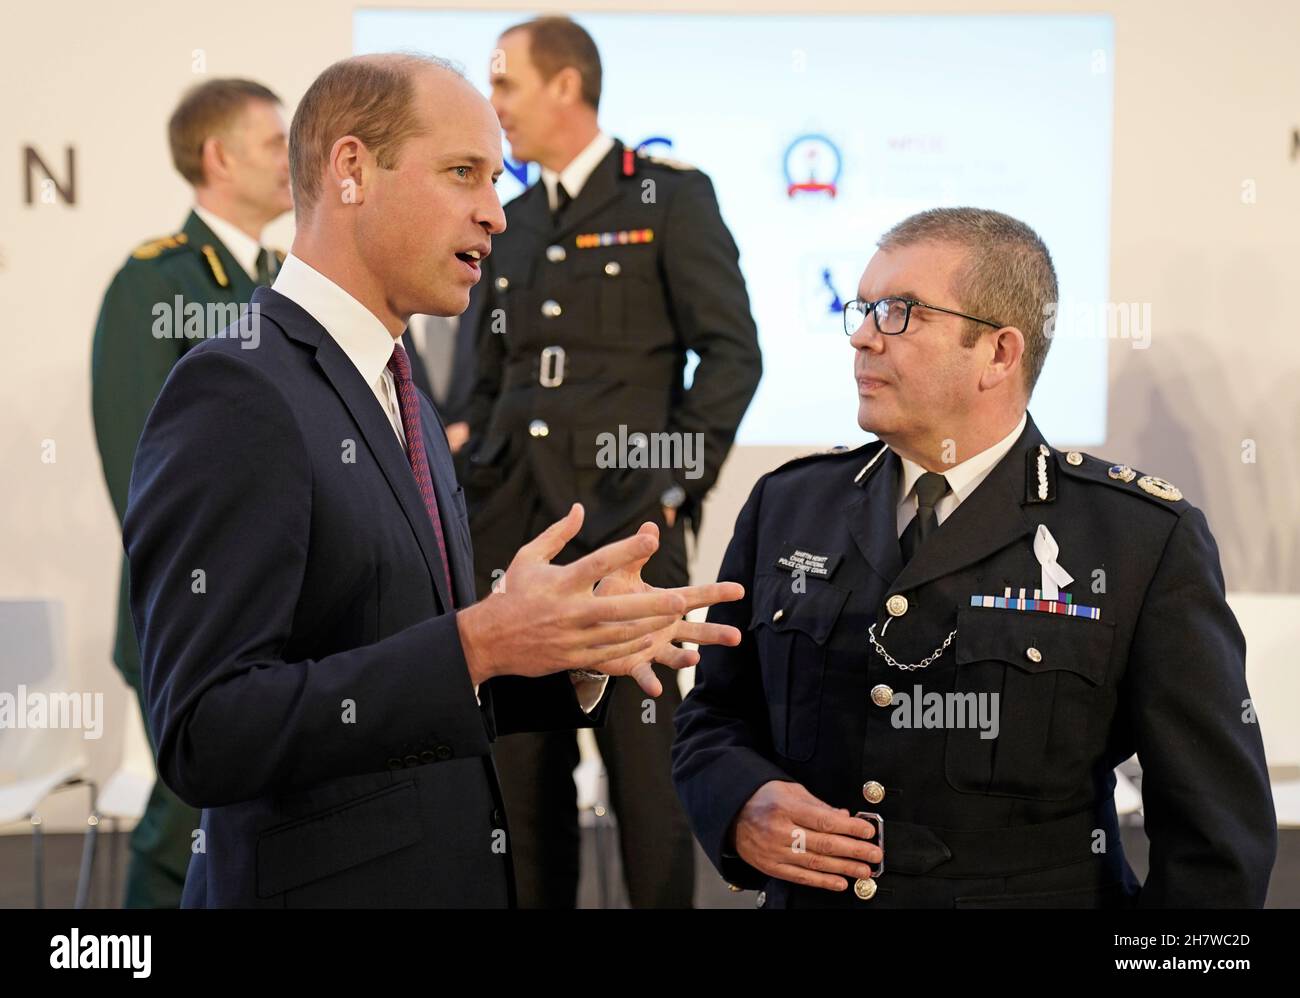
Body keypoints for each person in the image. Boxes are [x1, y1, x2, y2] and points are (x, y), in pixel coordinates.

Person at [122, 53, 742, 908]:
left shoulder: (397, 385)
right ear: (351, 172)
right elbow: (206, 733)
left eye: (497, 177)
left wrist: (566, 653)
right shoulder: (238, 388)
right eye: (462, 174)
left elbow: (410, 669)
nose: (494, 211)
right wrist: (480, 642)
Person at [672, 207, 1277, 908]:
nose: (864, 338)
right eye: (863, 309)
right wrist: (740, 802)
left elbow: (1217, 839)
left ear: (999, 353)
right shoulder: (789, 506)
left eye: (900, 312)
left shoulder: (1137, 537)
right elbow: (715, 716)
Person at [458, 14, 761, 908]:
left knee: (652, 789)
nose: (494, 105)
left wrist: (669, 489)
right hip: (514, 540)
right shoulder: (506, 222)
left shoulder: (669, 195)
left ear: (565, 85)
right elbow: (487, 380)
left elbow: (733, 355)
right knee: (521, 789)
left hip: (627, 543)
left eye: (505, 84)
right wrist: (464, 458)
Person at [90, 77, 292, 908]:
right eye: (276, 144)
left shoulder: (287, 280)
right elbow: (140, 471)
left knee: (261, 828)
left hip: (280, 614)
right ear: (218, 157)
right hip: (189, 614)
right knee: (185, 827)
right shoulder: (153, 281)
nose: (294, 160)